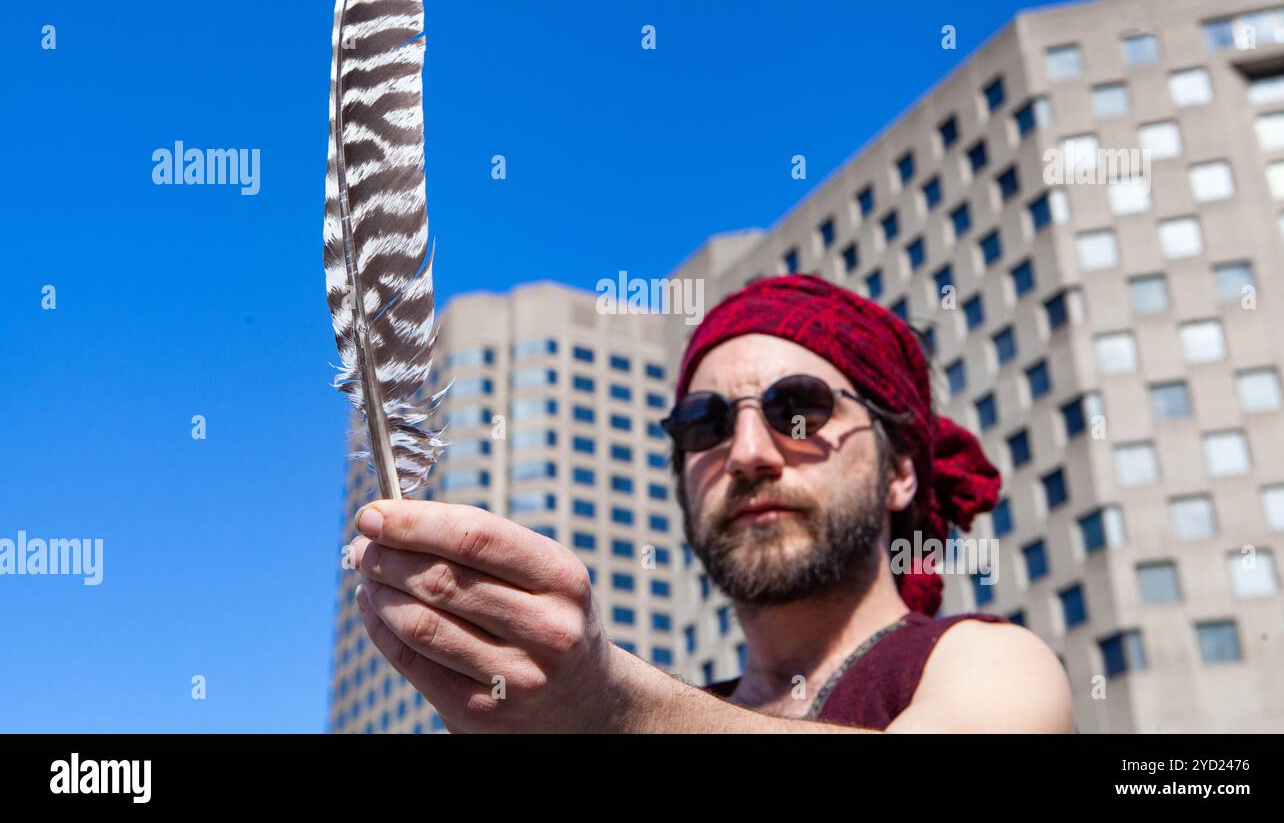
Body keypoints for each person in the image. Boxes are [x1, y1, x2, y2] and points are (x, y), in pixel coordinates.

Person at [349, 274, 1075, 732]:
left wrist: (609, 706)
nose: (750, 452)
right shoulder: (681, 708)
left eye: (799, 409)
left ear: (901, 473)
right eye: (706, 422)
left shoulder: (989, 662)